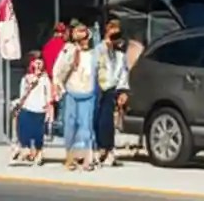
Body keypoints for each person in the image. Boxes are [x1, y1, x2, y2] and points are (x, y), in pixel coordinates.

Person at [52, 20, 109, 171]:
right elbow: (58, 68)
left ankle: (86, 159)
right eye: (81, 37)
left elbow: (102, 70)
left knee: (86, 127)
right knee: (70, 126)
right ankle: (70, 158)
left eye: (86, 37)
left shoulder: (94, 53)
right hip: (71, 92)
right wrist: (57, 84)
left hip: (88, 93)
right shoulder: (69, 50)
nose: (85, 40)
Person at [95, 19, 130, 166]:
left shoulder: (120, 56)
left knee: (108, 121)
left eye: (117, 35)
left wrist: (123, 91)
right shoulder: (99, 49)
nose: (114, 39)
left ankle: (109, 149)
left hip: (111, 89)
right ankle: (100, 148)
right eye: (112, 35)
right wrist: (106, 45)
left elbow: (123, 74)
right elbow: (94, 65)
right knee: (96, 120)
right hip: (97, 88)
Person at [10, 53, 54, 165]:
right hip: (27, 108)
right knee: (25, 132)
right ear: (31, 63)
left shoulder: (45, 79)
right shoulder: (25, 79)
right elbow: (22, 95)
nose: (38, 64)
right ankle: (29, 152)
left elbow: (49, 96)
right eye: (36, 62)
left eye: (40, 62)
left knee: (38, 134)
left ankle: (38, 153)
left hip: (40, 109)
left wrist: (49, 111)